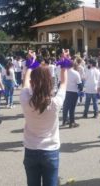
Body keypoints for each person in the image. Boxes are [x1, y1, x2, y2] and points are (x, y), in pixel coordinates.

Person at [20, 50, 68, 186]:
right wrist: (64, 61)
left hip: (31, 148)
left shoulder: (25, 99)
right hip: (50, 150)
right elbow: (64, 82)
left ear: (32, 82)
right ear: (50, 83)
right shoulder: (55, 103)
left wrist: (32, 62)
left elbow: (26, 82)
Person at [62, 59, 82, 128]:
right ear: (72, 65)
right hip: (73, 92)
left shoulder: (64, 72)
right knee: (72, 108)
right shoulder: (76, 73)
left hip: (65, 91)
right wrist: (81, 90)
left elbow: (60, 83)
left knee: (65, 107)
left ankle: (64, 121)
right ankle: (71, 122)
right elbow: (80, 85)